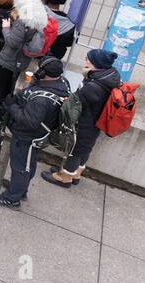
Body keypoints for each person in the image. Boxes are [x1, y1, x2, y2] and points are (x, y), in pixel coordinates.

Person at [0, 56, 70, 209]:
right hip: (36, 134)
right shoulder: (61, 84)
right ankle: (19, 188)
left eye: (39, 69)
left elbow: (29, 121)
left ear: (43, 73)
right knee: (28, 163)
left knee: (21, 167)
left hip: (27, 137)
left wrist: (11, 106)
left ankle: (12, 198)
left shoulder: (41, 100)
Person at [43, 49, 120, 188]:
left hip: (85, 123)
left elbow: (74, 103)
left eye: (88, 60)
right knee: (85, 149)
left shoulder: (94, 86)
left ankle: (64, 178)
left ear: (97, 64)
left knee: (75, 150)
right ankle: (76, 174)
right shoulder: (108, 76)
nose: (85, 61)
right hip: (95, 123)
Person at [0, 0, 49, 129]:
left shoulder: (23, 21)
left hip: (8, 61)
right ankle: (0, 110)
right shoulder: (37, 17)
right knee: (7, 88)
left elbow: (12, 42)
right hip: (20, 61)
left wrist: (6, 28)